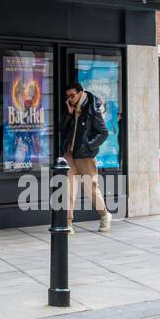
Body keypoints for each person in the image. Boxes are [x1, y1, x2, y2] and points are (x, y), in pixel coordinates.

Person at [60, 82, 112, 234]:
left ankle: (104, 215)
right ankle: (68, 223)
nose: (70, 99)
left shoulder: (91, 108)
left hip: (85, 156)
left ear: (80, 93)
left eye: (72, 95)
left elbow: (103, 132)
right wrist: (69, 114)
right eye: (67, 96)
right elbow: (62, 129)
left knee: (91, 189)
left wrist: (88, 146)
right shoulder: (71, 108)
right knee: (68, 189)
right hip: (69, 155)